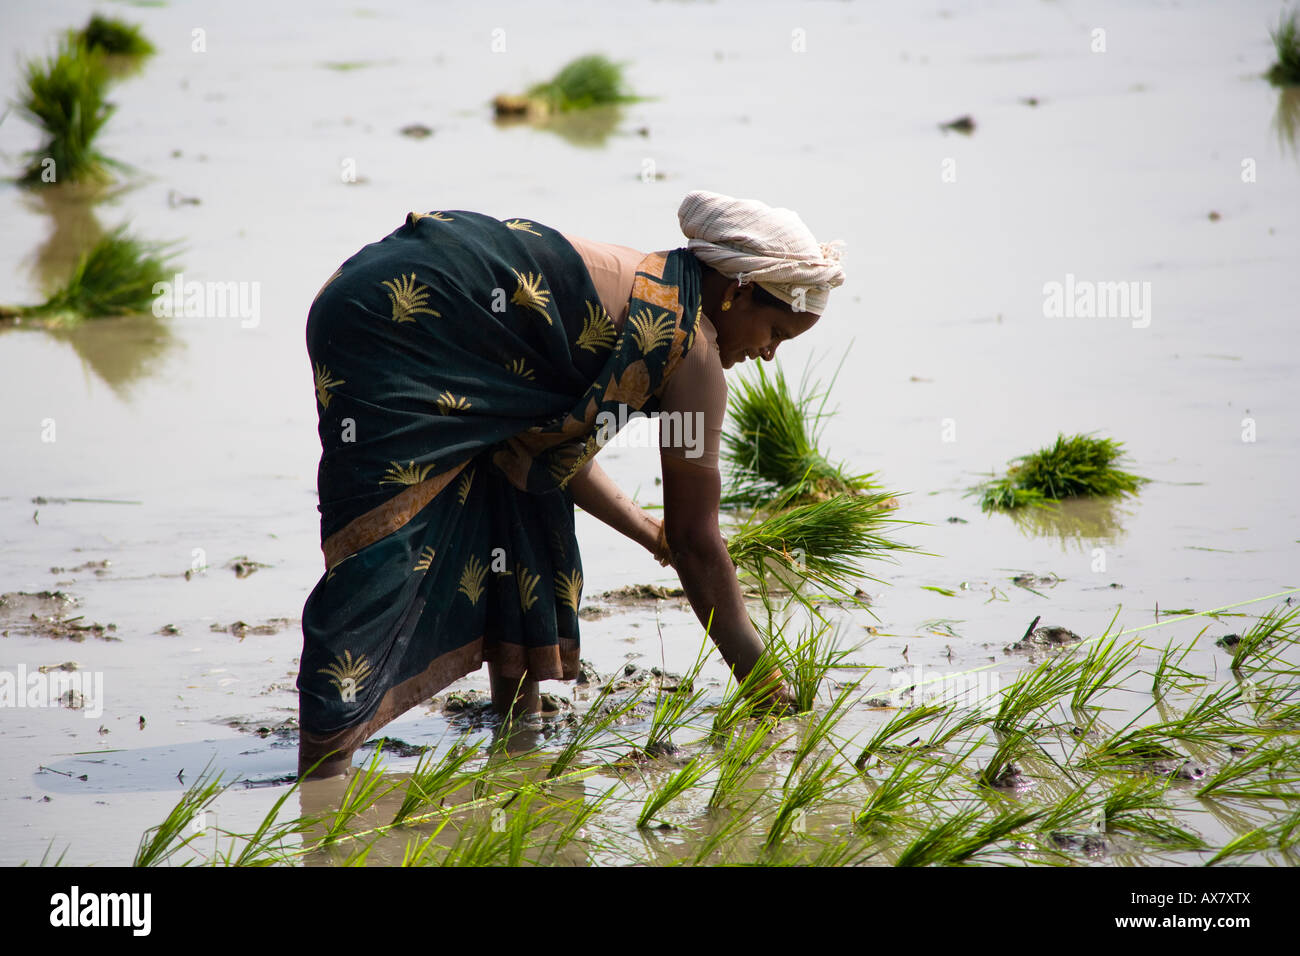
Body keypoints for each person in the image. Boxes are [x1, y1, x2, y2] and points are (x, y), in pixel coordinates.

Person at [298, 189, 845, 778]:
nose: (767, 354)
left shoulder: (652, 294)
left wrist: (645, 530)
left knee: (517, 481)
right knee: (384, 545)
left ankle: (517, 731)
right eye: (777, 334)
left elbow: (545, 449)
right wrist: (767, 687)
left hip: (370, 283)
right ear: (737, 292)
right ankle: (321, 776)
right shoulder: (692, 349)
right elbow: (696, 539)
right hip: (395, 315)